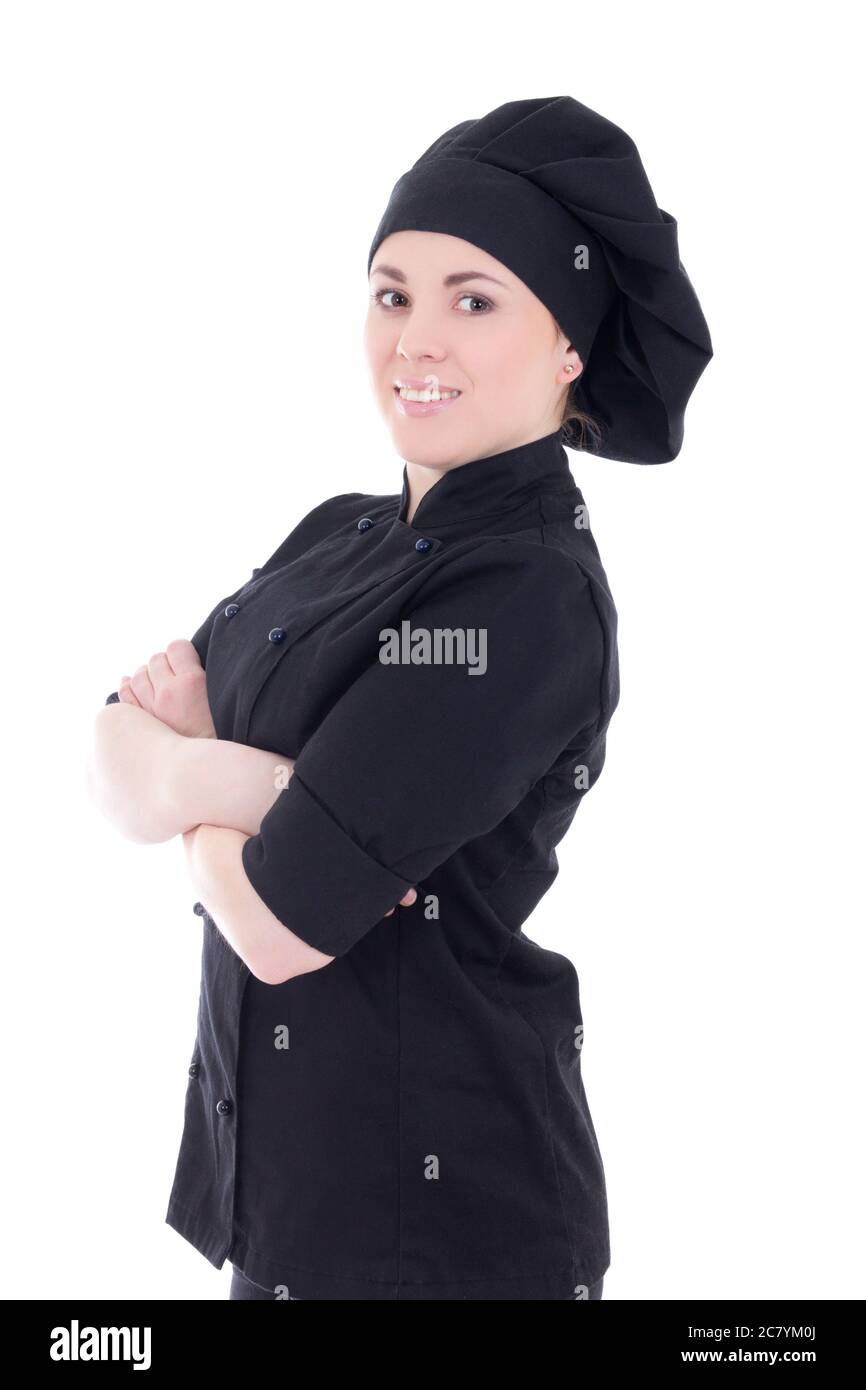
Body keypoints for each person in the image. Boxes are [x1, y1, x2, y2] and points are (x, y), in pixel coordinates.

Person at [88, 95, 711, 1301]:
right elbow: (115, 740)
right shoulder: (338, 534)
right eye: (392, 294)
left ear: (567, 344)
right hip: (285, 1207)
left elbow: (279, 926)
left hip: (448, 1235)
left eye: (473, 300)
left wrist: (192, 772)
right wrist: (231, 781)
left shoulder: (526, 596)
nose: (415, 340)